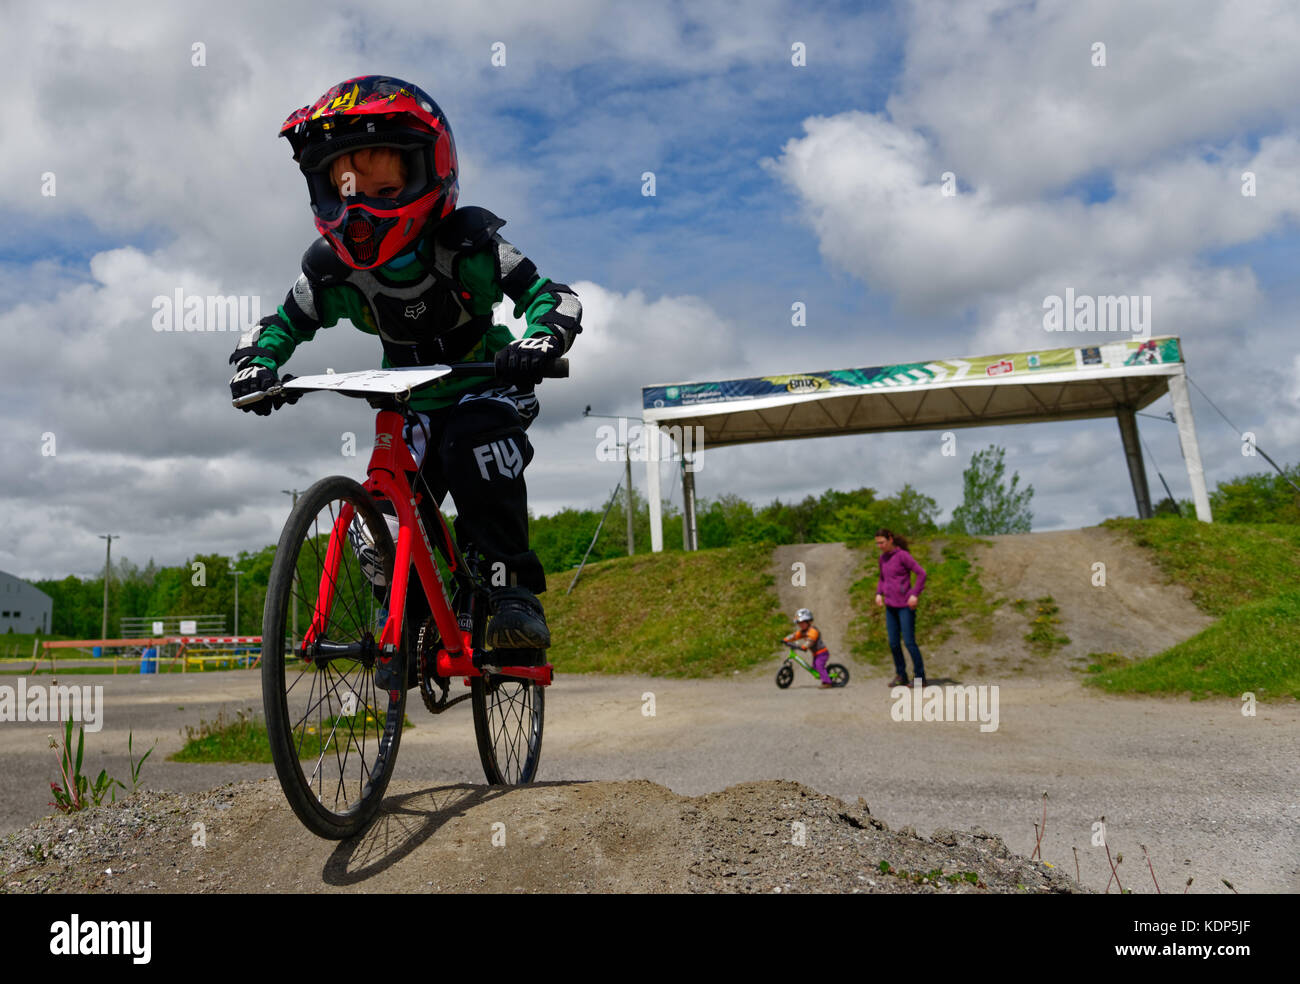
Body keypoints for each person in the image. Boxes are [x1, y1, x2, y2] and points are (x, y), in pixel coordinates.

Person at [228, 76, 582, 659]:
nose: (358, 206)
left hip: (485, 389)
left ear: (431, 170)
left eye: (381, 182)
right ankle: (414, 613)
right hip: (411, 404)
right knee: (382, 515)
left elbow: (555, 297)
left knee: (472, 445)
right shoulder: (334, 271)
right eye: (342, 184)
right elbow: (278, 325)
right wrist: (254, 364)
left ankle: (512, 593)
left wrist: (542, 339)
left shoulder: (470, 246)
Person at [873, 528, 927, 687]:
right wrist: (878, 593)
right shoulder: (882, 559)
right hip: (890, 606)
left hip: (905, 606)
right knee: (894, 643)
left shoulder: (903, 556)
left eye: (882, 542)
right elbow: (882, 578)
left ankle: (920, 677)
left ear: (890, 539)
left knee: (909, 642)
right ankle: (901, 675)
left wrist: (915, 594)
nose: (879, 546)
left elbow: (921, 573)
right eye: (877, 543)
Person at [783, 608, 835, 689]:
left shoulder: (813, 631)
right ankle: (825, 675)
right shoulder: (803, 631)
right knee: (815, 667)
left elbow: (811, 640)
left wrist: (804, 646)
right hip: (816, 654)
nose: (801, 625)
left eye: (802, 623)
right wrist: (786, 639)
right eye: (799, 623)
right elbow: (795, 635)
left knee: (819, 666)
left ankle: (827, 683)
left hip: (822, 653)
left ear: (809, 622)